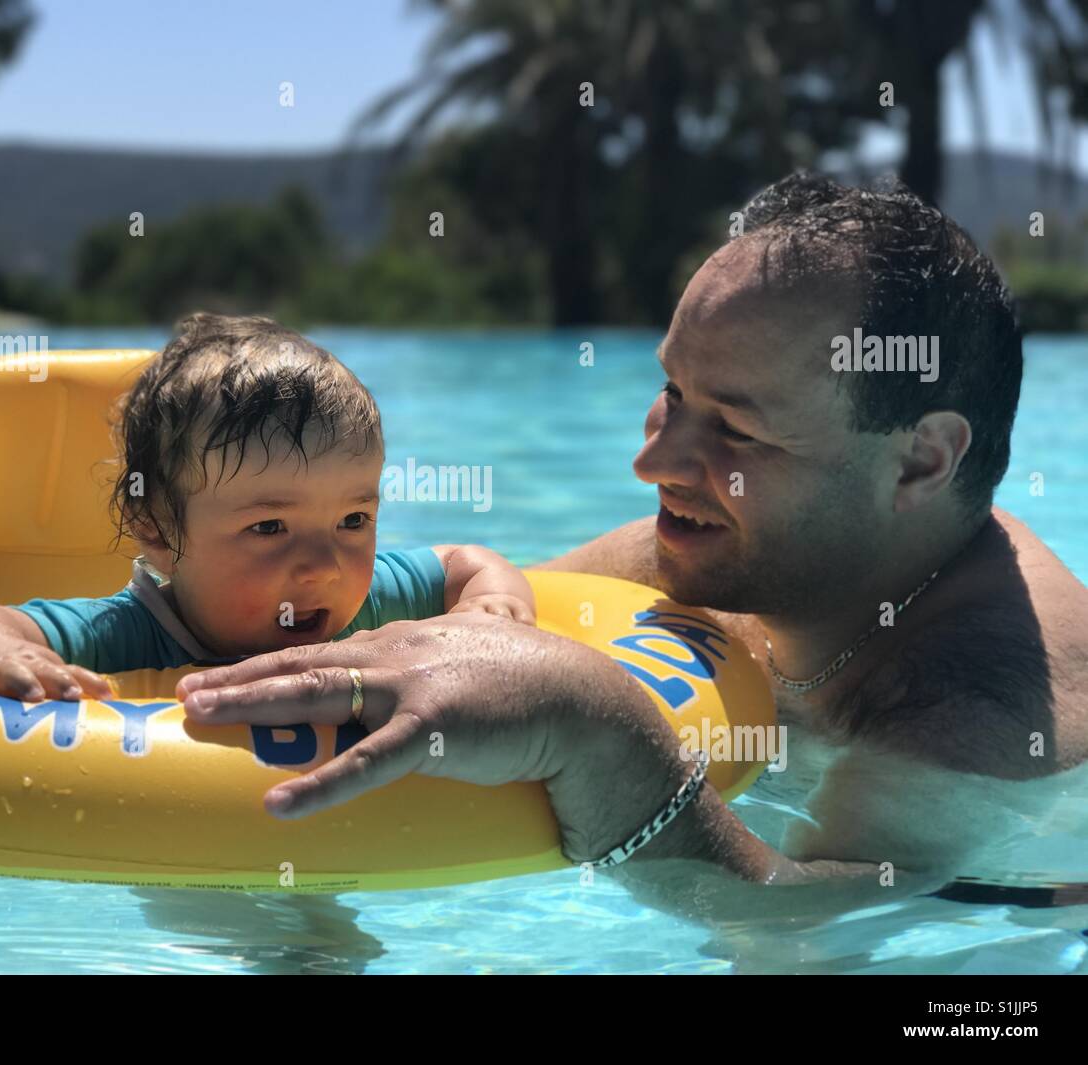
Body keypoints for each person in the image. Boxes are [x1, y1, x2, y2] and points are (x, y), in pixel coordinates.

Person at [174, 174, 1088, 920]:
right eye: (672, 392)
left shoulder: (981, 720)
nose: (652, 458)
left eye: (733, 427)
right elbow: (454, 636)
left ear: (921, 460)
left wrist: (598, 737)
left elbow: (794, 936)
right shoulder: (750, 549)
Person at [0, 314, 534, 702]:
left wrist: (491, 604)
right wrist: (0, 655)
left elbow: (466, 561)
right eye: (269, 527)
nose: (323, 566)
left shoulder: (365, 600)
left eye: (353, 521)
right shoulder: (130, 634)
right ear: (155, 529)